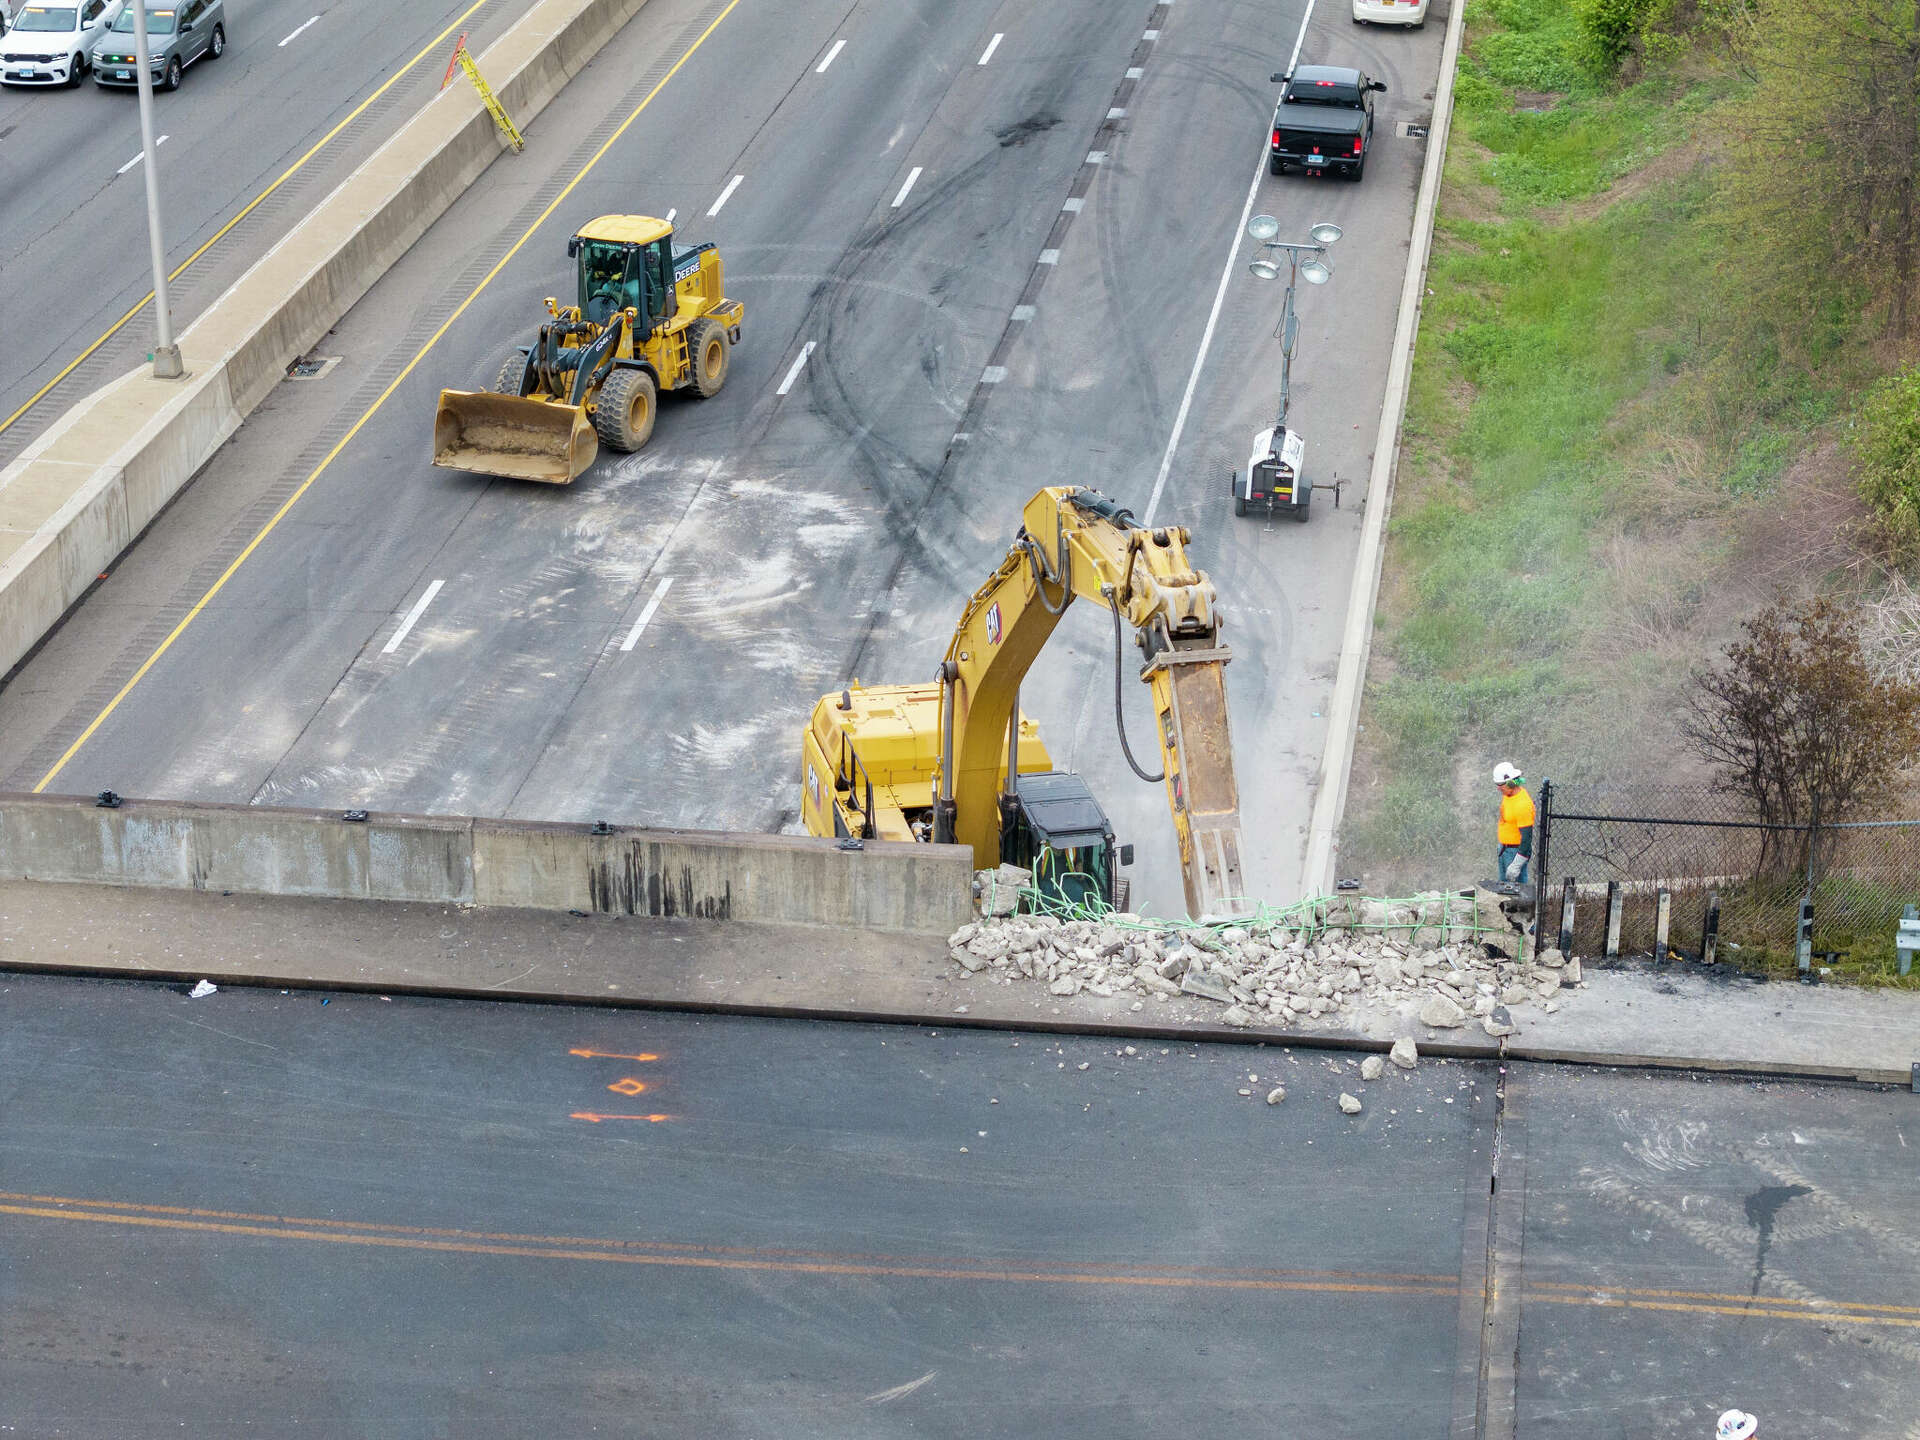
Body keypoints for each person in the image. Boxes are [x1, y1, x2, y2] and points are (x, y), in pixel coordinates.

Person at [1493, 761, 1535, 884]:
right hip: (1505, 849)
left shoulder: (1523, 804)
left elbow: (1527, 837)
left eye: (1501, 785)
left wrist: (1517, 863)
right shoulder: (1509, 793)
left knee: (1517, 890)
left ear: (1511, 782)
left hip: (1515, 852)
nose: (1498, 788)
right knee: (1504, 887)